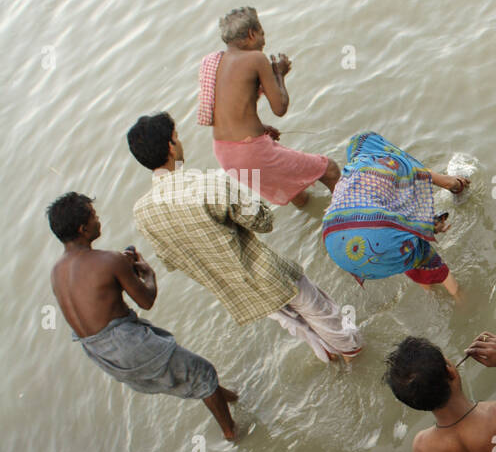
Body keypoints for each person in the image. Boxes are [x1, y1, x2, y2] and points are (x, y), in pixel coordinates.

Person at [128, 112, 363, 364]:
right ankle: (356, 360)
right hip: (269, 274)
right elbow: (263, 222)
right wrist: (247, 186)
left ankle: (334, 361)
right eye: (177, 138)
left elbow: (172, 261)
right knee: (331, 323)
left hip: (238, 293)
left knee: (305, 330)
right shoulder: (205, 184)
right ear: (171, 147)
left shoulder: (141, 213)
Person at [47, 192, 237, 439]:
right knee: (203, 372)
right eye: (94, 216)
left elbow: (95, 297)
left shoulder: (56, 272)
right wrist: (147, 273)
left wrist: (119, 269)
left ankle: (234, 398)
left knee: (192, 374)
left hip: (100, 353)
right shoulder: (110, 261)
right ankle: (232, 434)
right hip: (126, 343)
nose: (99, 220)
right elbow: (146, 301)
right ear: (84, 229)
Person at [200, 6, 340, 207]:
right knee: (330, 170)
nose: (264, 41)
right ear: (251, 34)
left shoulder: (213, 61)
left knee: (294, 191)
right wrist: (279, 75)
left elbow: (228, 109)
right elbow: (280, 108)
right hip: (249, 152)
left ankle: (314, 216)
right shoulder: (255, 58)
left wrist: (262, 129)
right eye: (262, 34)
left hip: (224, 153)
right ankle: (351, 219)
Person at [322, 132, 468, 297]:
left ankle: (429, 291)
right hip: (375, 235)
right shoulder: (391, 163)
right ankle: (460, 298)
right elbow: (445, 183)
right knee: (413, 248)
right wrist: (460, 184)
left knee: (402, 249)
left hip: (336, 246)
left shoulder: (349, 175)